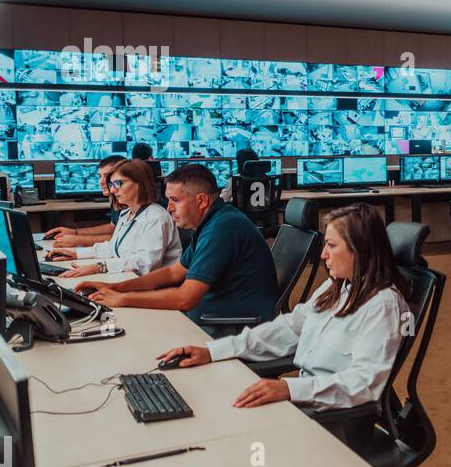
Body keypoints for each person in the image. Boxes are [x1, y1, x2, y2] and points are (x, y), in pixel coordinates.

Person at [158, 205, 408, 437]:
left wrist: (289, 389)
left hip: (337, 418)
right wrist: (212, 351)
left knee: (225, 429)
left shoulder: (382, 305)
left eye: (332, 245)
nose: (323, 255)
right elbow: (288, 328)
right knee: (210, 406)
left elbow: (363, 383)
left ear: (360, 249)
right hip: (307, 402)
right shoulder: (336, 288)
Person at [74, 163, 278, 331]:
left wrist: (124, 298)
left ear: (202, 201)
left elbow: (185, 299)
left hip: (226, 327)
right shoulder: (213, 221)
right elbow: (173, 272)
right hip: (209, 315)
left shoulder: (222, 228)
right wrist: (114, 287)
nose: (169, 208)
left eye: (175, 200)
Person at [48, 159, 181, 278]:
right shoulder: (126, 214)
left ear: (139, 183)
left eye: (118, 183)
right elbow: (113, 247)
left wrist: (99, 267)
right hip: (129, 279)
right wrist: (76, 254)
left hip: (153, 288)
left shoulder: (156, 218)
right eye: (111, 185)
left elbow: (145, 264)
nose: (112, 190)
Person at [41, 154, 125, 245]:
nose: (100, 182)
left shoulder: (129, 202)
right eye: (100, 176)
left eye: (107, 176)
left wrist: (77, 240)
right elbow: (114, 227)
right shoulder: (114, 198)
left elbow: (122, 238)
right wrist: (74, 232)